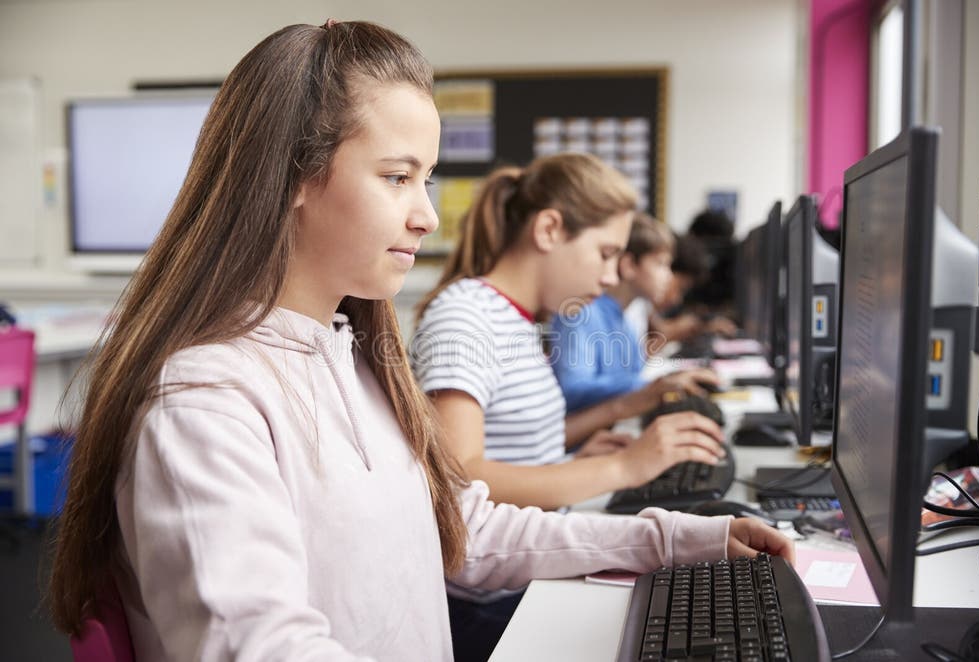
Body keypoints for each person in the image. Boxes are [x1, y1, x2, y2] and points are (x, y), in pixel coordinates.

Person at [48, 22, 793, 662]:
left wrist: (674, 540)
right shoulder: (204, 404)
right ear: (293, 178)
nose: (428, 216)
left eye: (427, 180)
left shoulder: (355, 357)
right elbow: (265, 647)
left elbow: (460, 529)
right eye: (398, 178)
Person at [410, 154, 745, 660]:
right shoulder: (464, 318)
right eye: (606, 253)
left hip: (522, 571)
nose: (612, 276)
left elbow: (509, 443)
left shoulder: (512, 318)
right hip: (486, 601)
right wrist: (621, 468)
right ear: (549, 229)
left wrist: (576, 458)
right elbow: (461, 474)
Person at [548, 212, 720, 415]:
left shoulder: (625, 321)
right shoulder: (581, 313)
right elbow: (573, 388)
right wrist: (654, 386)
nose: (668, 276)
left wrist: (665, 382)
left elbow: (635, 375)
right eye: (660, 264)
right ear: (629, 265)